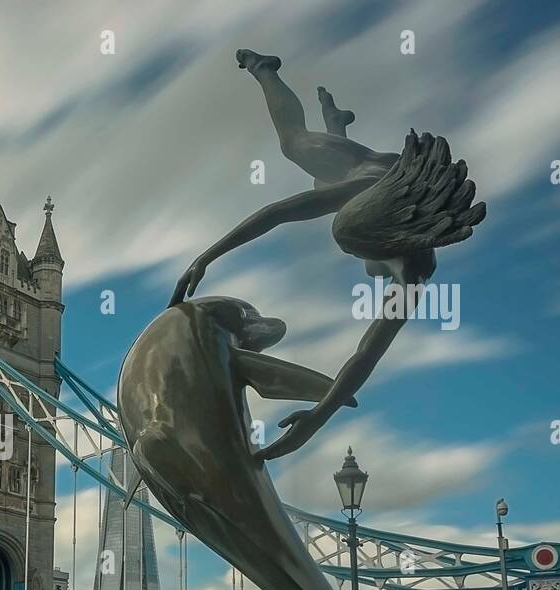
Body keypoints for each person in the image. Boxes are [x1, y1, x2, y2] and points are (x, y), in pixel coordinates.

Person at [172, 50, 485, 460]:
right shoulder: (362, 189)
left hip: (382, 181)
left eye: (355, 250)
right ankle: (264, 68)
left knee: (321, 181)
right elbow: (278, 213)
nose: (362, 265)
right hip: (373, 172)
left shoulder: (414, 272)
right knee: (293, 144)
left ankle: (337, 122)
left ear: (391, 242)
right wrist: (206, 257)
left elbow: (365, 354)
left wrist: (318, 417)